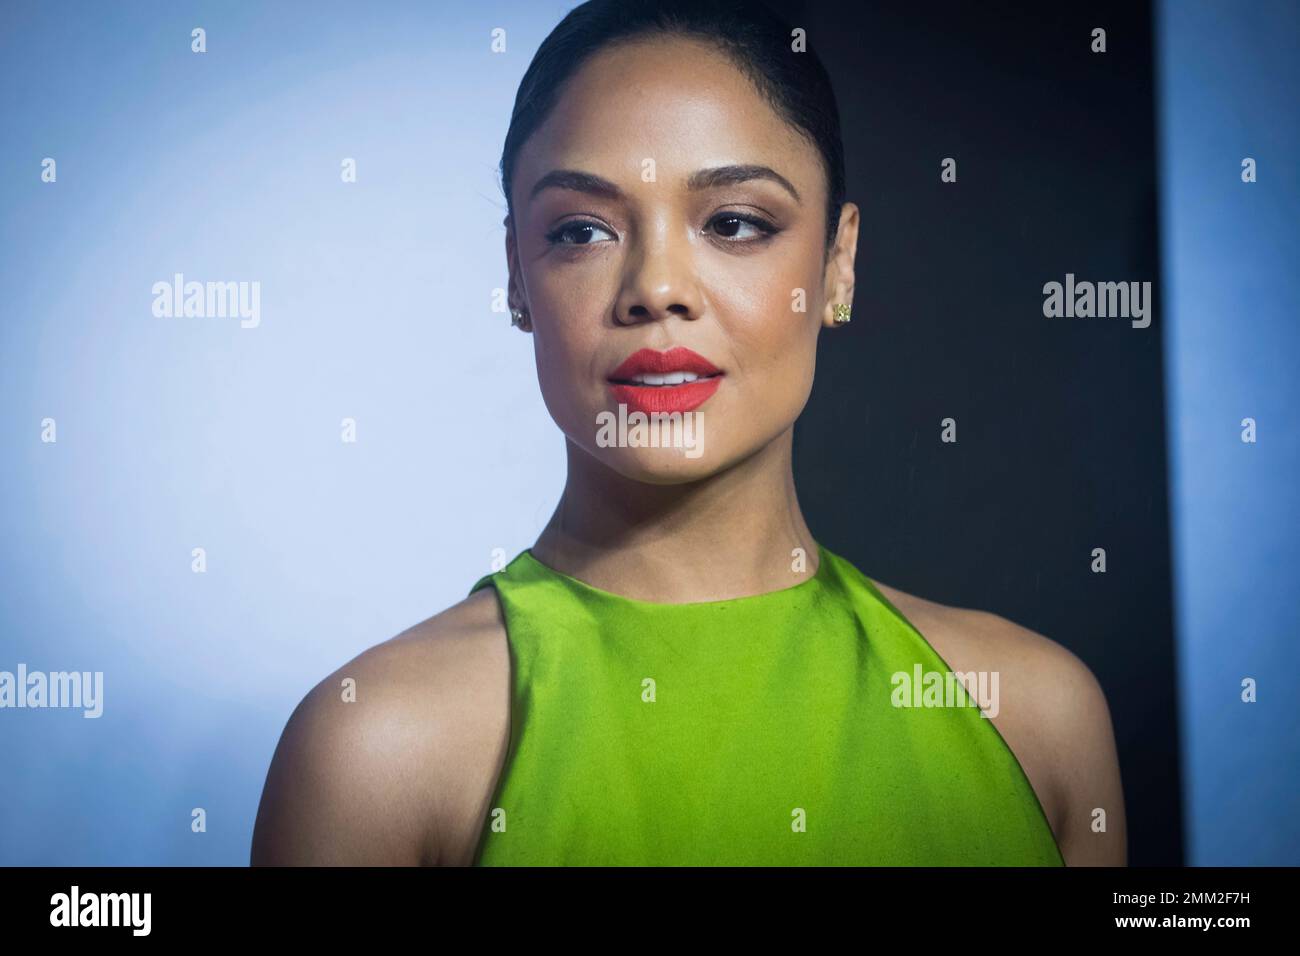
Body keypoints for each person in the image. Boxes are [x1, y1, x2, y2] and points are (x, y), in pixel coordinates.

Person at [251, 0, 1126, 866]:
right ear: (516, 273)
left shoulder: (1038, 716)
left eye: (735, 223)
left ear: (837, 263)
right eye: (582, 230)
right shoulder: (375, 750)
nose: (657, 288)